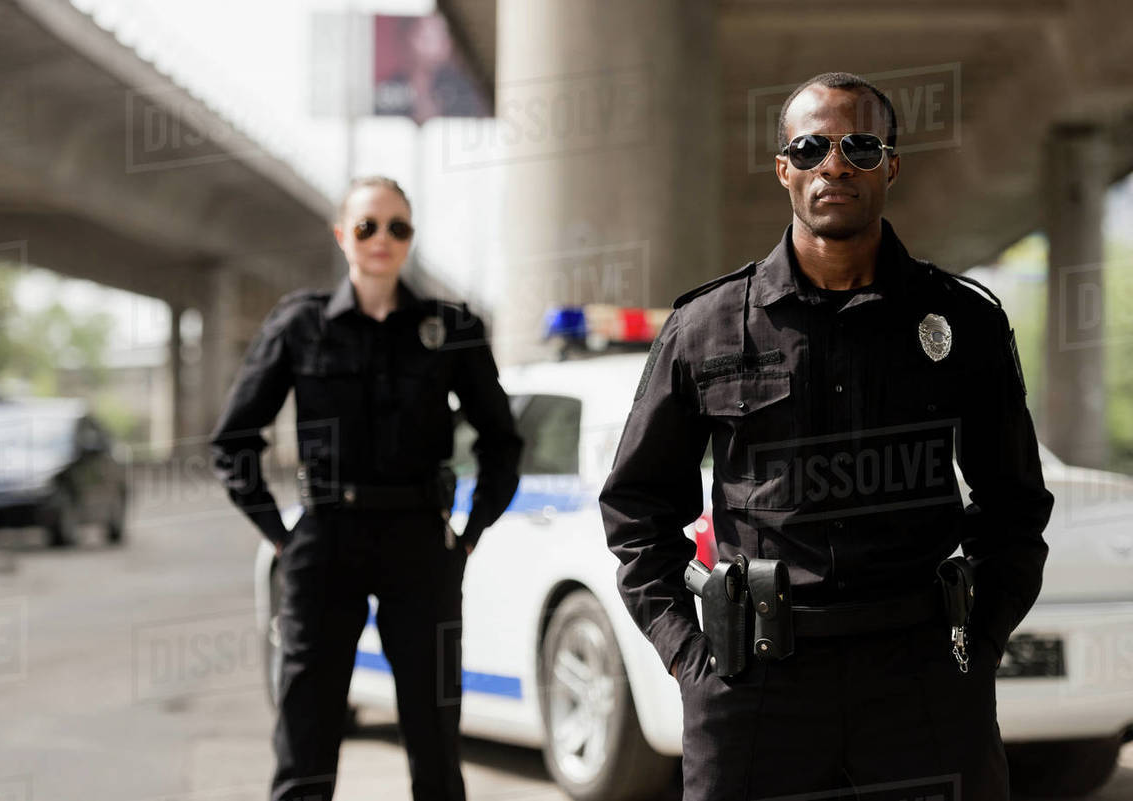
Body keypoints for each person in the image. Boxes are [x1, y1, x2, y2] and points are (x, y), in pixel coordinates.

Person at [599, 72, 1053, 801]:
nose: (834, 165)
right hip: (756, 687)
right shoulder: (707, 326)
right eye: (811, 148)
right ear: (784, 168)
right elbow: (636, 509)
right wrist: (691, 658)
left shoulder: (962, 322)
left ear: (890, 166)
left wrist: (980, 639)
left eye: (859, 147)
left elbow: (1015, 505)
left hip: (924, 685)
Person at [209, 175, 522, 801]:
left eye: (397, 227)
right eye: (366, 226)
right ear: (341, 236)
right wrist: (280, 535)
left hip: (420, 542)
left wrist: (468, 534)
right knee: (306, 736)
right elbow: (233, 439)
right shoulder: (299, 324)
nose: (382, 238)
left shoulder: (449, 328)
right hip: (324, 542)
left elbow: (502, 441)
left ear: (410, 238)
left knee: (435, 736)